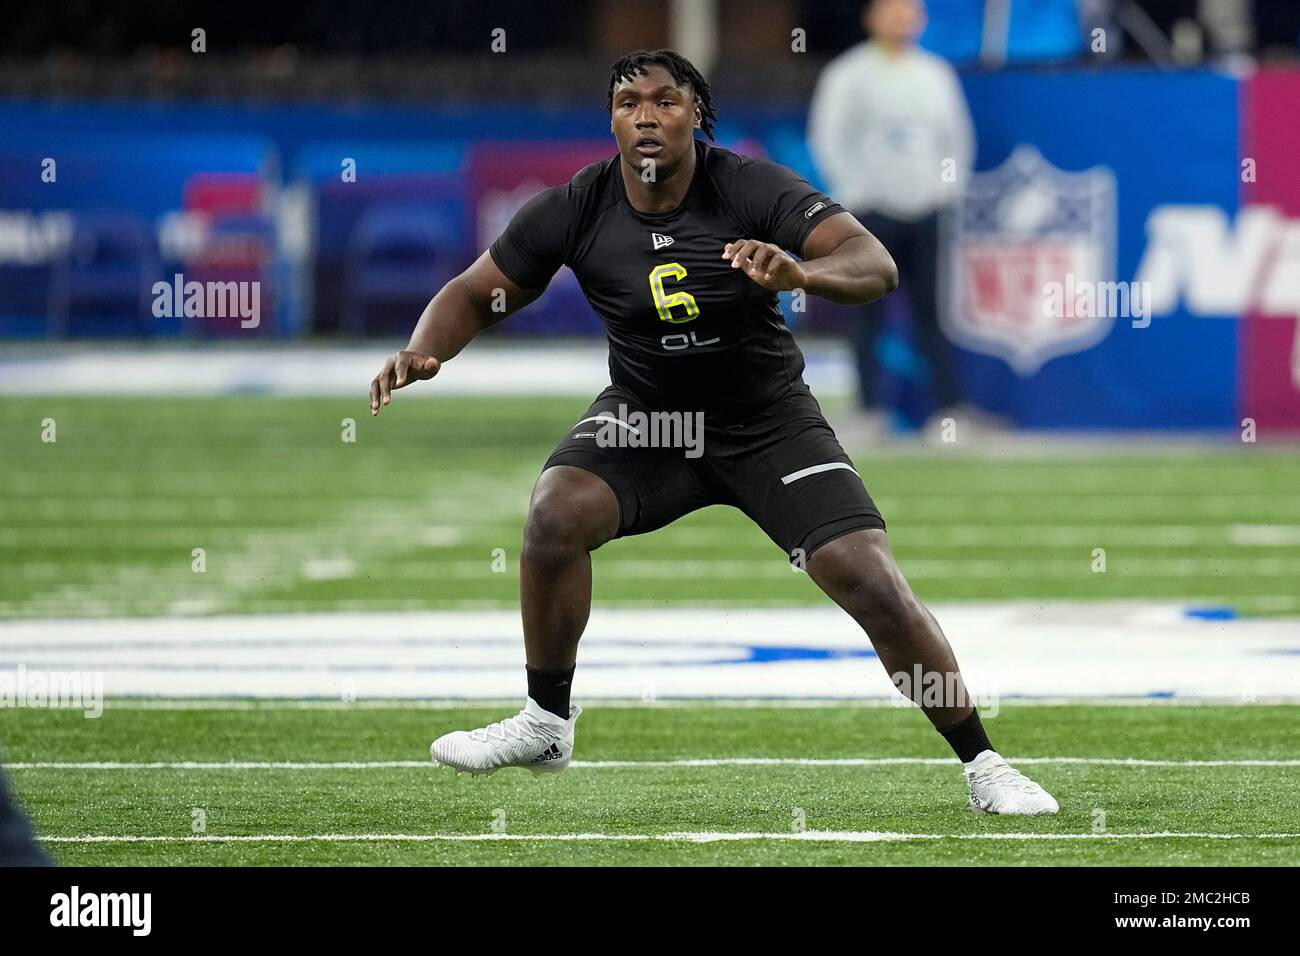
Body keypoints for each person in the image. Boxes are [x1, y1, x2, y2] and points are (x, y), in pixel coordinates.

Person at [369, 49, 1057, 815]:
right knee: (555, 514)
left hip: (764, 422)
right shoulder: (577, 205)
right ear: (612, 120)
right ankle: (547, 720)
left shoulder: (748, 184)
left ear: (696, 115)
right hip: (650, 417)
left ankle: (984, 762)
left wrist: (803, 274)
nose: (647, 116)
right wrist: (425, 348)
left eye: (666, 101)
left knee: (868, 580)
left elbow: (875, 263)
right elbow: (476, 290)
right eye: (629, 102)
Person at [809, 0, 977, 443]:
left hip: (926, 209)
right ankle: (869, 413)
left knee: (931, 311)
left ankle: (947, 414)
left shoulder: (936, 73)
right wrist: (856, 198)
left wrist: (945, 190)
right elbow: (829, 137)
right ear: (872, 18)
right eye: (893, 10)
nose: (903, 20)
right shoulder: (848, 74)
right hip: (870, 213)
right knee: (866, 312)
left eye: (911, 11)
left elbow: (955, 139)